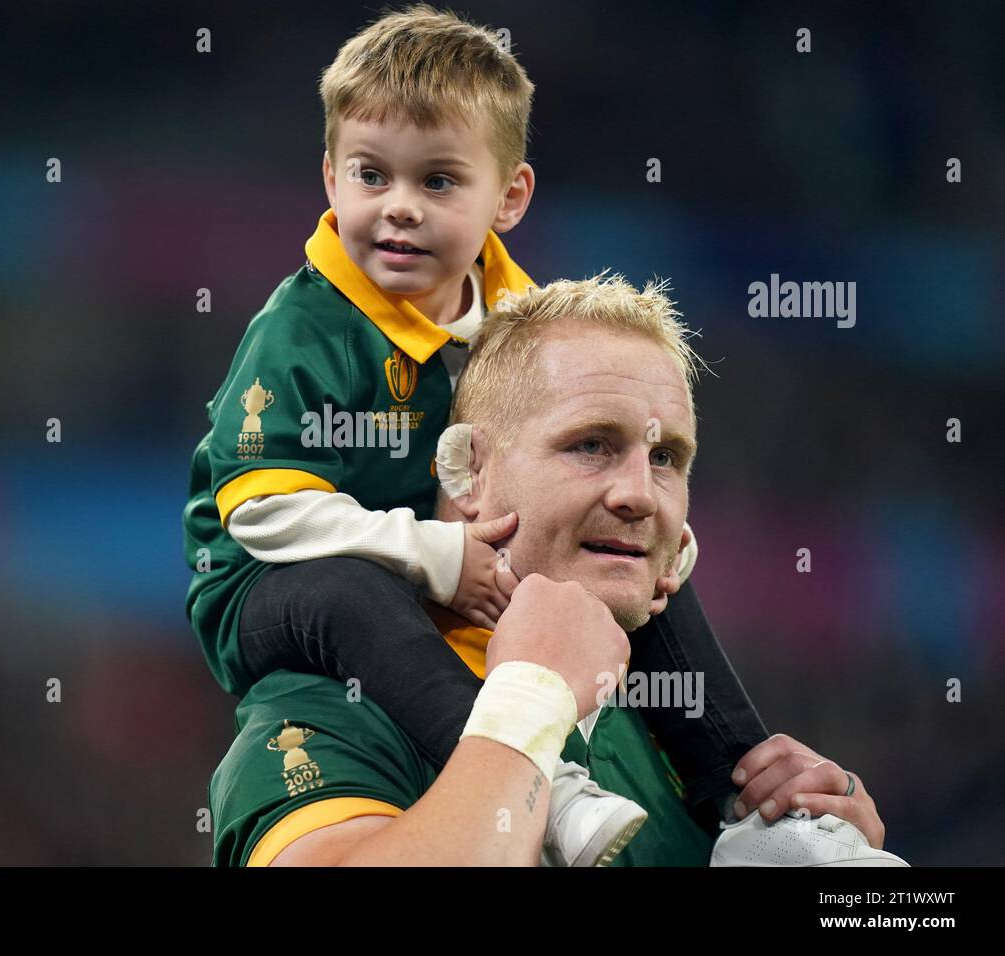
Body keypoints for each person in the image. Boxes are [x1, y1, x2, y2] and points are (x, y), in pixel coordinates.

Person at [182, 3, 766, 864]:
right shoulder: (302, 329)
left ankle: (763, 802)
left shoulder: (519, 312)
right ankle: (551, 789)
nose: (401, 210)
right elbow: (262, 518)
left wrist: (656, 542)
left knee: (652, 579)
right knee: (353, 594)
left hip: (433, 558)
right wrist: (437, 556)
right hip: (272, 579)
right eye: (370, 176)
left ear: (511, 197)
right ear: (329, 180)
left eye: (439, 182)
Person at [207, 274, 905, 867]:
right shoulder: (328, 716)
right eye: (592, 445)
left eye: (665, 459)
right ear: (467, 471)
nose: (639, 495)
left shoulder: (677, 735)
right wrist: (529, 705)